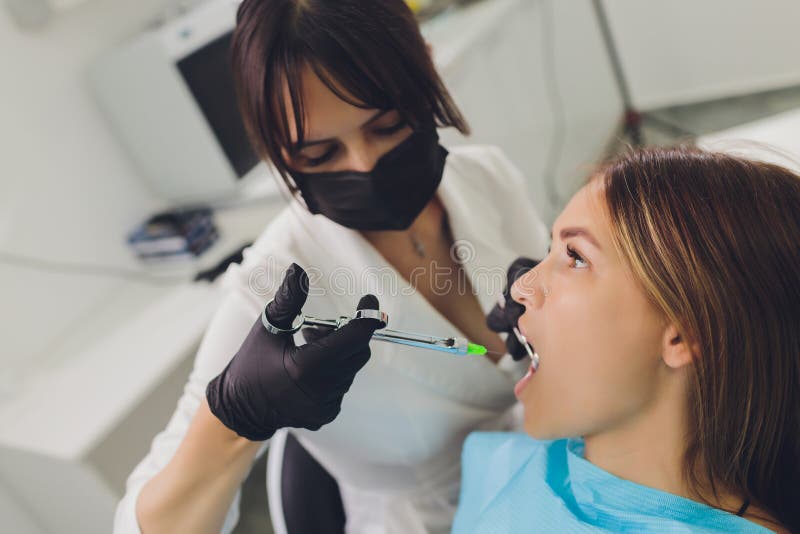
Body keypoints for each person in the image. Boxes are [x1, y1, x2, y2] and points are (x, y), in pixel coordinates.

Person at [114, 0, 547, 533]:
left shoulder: (488, 178)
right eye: (319, 155)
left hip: (554, 472)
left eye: (387, 125)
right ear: (274, 148)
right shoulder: (269, 292)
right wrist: (233, 425)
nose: (364, 165)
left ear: (429, 69)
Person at [455, 146, 798, 533]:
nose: (520, 287)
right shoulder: (494, 463)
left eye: (575, 256)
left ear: (683, 335)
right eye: (548, 250)